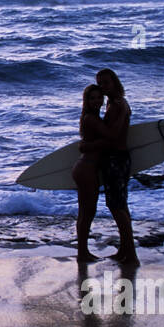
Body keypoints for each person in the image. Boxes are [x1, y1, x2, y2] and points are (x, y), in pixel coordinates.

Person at [96, 67, 137, 265]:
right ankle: (125, 250)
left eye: (106, 82)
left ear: (114, 82)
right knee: (121, 205)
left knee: (116, 206)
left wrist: (89, 143)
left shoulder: (117, 105)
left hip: (116, 159)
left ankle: (132, 255)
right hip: (119, 158)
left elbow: (112, 135)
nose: (102, 87)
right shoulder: (115, 103)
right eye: (100, 83)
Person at [72, 83, 109, 262]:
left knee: (85, 213)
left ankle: (82, 252)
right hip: (87, 169)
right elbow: (111, 138)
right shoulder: (91, 119)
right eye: (92, 98)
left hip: (85, 168)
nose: (96, 101)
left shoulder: (90, 117)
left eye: (99, 97)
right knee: (87, 213)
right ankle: (82, 253)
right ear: (86, 101)